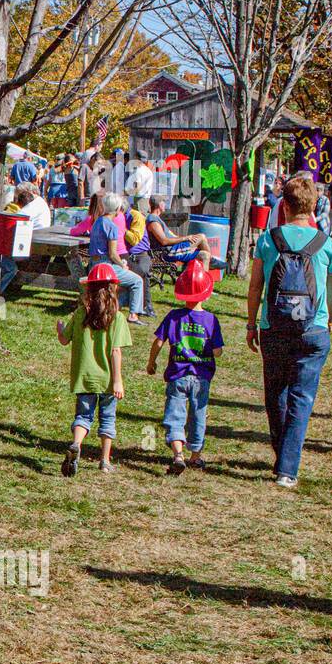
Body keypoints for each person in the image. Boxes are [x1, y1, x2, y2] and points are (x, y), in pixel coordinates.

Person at [247, 176, 332, 488]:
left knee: (276, 392)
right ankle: (287, 469)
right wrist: (331, 320)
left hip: (274, 325)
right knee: (302, 396)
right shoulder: (326, 244)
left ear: (284, 206)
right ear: (314, 206)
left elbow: (255, 286)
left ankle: (282, 453)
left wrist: (251, 323)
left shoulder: (268, 239)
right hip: (313, 329)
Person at [147, 260, 225, 475]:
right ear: (207, 293)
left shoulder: (173, 317)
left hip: (177, 376)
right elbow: (217, 352)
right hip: (202, 378)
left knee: (175, 414)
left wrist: (152, 361)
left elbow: (158, 342)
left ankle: (177, 454)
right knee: (198, 415)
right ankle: (195, 456)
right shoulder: (211, 320)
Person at [57, 263, 131, 476]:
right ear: (113, 289)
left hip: (85, 377)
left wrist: (60, 329)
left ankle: (76, 444)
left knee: (83, 416)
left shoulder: (81, 313)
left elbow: (64, 340)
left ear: (88, 289)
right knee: (108, 419)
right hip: (107, 380)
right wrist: (118, 380)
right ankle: (105, 461)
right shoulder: (117, 318)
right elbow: (116, 351)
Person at [82, 192, 145, 323]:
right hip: (105, 266)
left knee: (124, 280)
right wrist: (123, 265)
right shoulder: (112, 226)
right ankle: (132, 314)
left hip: (93, 265)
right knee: (137, 281)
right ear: (117, 209)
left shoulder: (97, 222)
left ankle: (112, 308)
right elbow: (112, 253)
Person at [0, 181, 50, 295]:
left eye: (20, 195)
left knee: (2, 258)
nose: (18, 199)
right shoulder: (39, 202)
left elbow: (17, 217)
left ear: (29, 193)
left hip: (28, 245)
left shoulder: (35, 204)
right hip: (30, 242)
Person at [144, 195, 211, 262]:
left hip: (174, 248)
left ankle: (210, 261)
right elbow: (164, 241)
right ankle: (211, 261)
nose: (165, 204)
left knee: (204, 252)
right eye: (164, 202)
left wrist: (186, 239)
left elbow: (173, 237)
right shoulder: (153, 220)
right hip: (169, 251)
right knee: (202, 237)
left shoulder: (156, 219)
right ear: (160, 205)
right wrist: (186, 238)